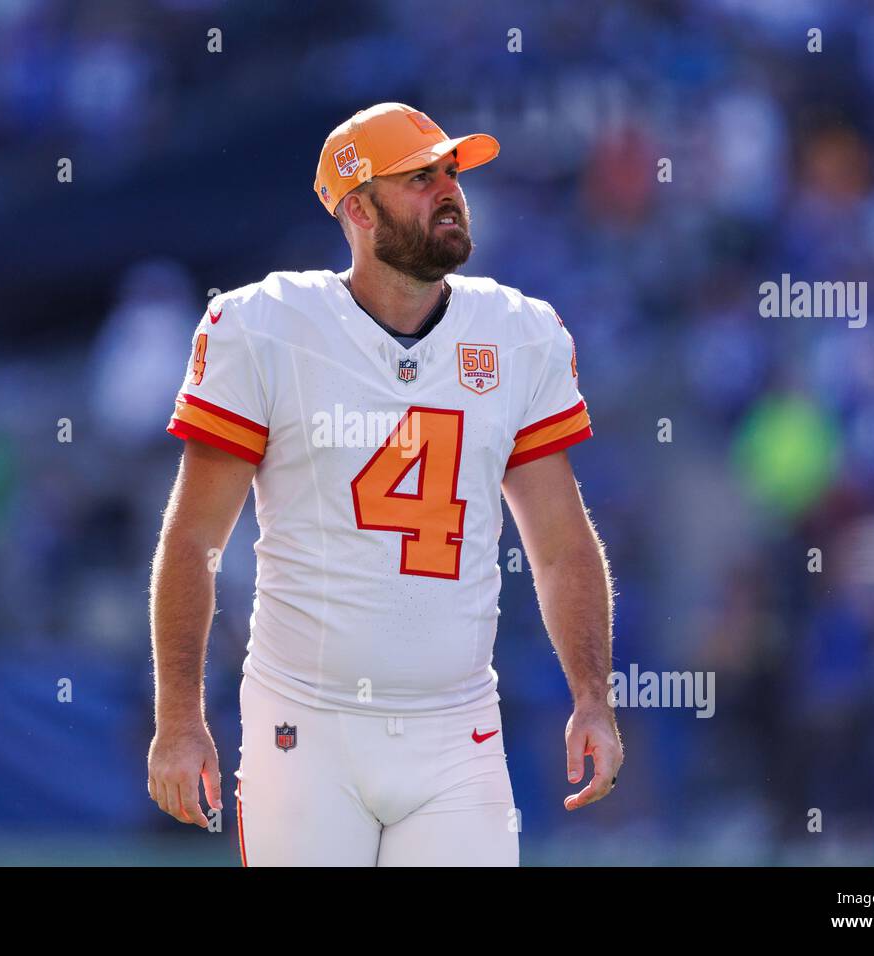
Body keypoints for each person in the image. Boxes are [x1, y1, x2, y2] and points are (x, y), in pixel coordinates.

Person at [148, 102, 622, 866]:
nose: (448, 191)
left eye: (451, 173)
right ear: (358, 208)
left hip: (457, 728)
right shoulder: (266, 327)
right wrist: (179, 717)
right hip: (304, 726)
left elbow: (562, 543)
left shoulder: (519, 333)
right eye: (419, 178)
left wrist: (593, 698)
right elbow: (195, 539)